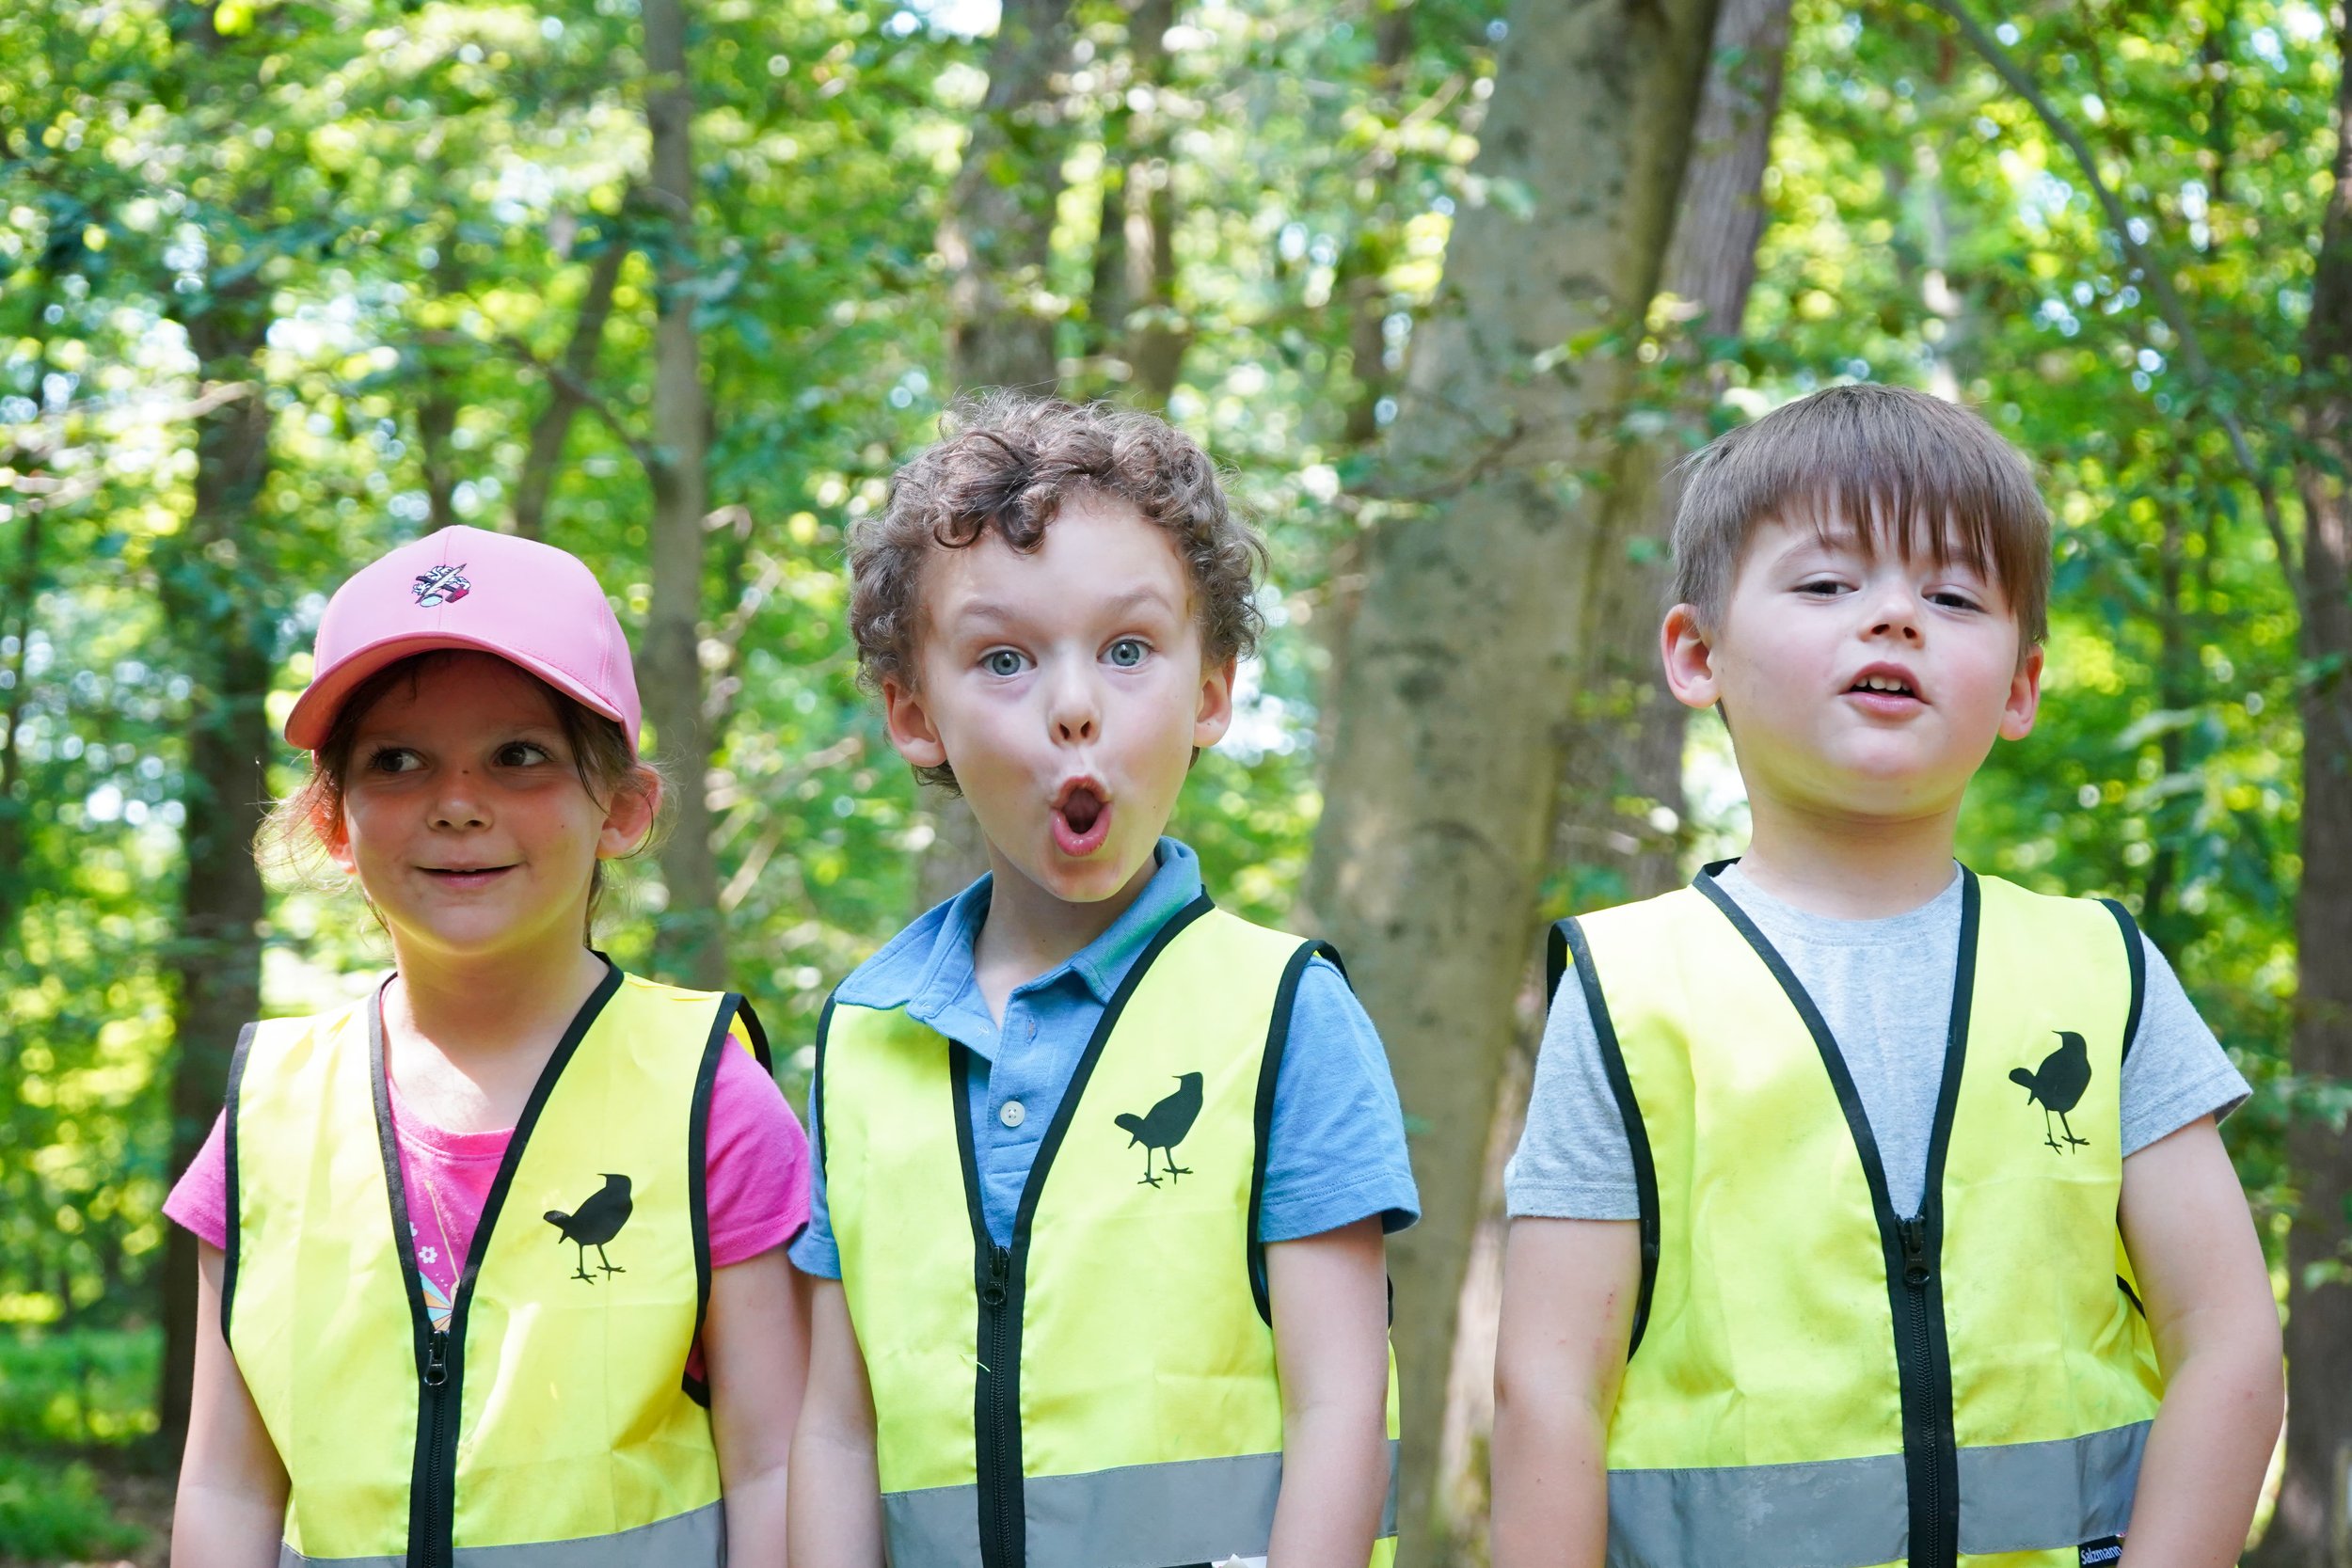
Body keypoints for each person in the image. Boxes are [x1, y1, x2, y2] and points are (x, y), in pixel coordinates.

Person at [1491, 385, 2283, 1568]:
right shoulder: (1627, 989)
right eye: (1826, 583)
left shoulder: (2101, 970)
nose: (1895, 617)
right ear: (1697, 654)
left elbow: (2227, 1342)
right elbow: (1548, 1386)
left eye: (1953, 596)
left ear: (2019, 685)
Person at [786, 394, 1419, 1568]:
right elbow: (834, 1425)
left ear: (1211, 692)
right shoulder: (865, 1034)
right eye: (1004, 659)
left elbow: (1342, 1405)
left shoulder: (1284, 1013)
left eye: (1127, 650)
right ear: (914, 716)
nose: (1073, 704)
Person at [165, 526, 811, 1568]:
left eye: (519, 756)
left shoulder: (710, 1097)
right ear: (333, 821)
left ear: (624, 808)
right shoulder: (269, 1114)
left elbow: (777, 1464)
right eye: (397, 761)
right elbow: (225, 1485)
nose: (458, 804)